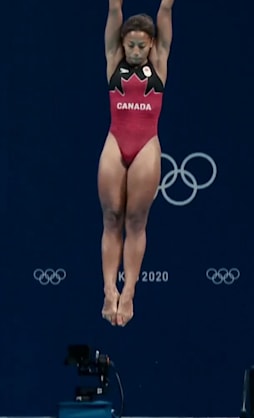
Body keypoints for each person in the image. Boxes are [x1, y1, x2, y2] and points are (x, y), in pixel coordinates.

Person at [98, 0, 173, 326]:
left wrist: (166, 5)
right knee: (111, 217)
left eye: (142, 46)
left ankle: (128, 292)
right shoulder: (114, 59)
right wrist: (115, 6)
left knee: (136, 220)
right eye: (130, 45)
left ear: (152, 44)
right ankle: (108, 290)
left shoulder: (159, 63)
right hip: (116, 142)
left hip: (146, 145)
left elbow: (165, 10)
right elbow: (114, 8)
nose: (136, 51)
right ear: (122, 44)